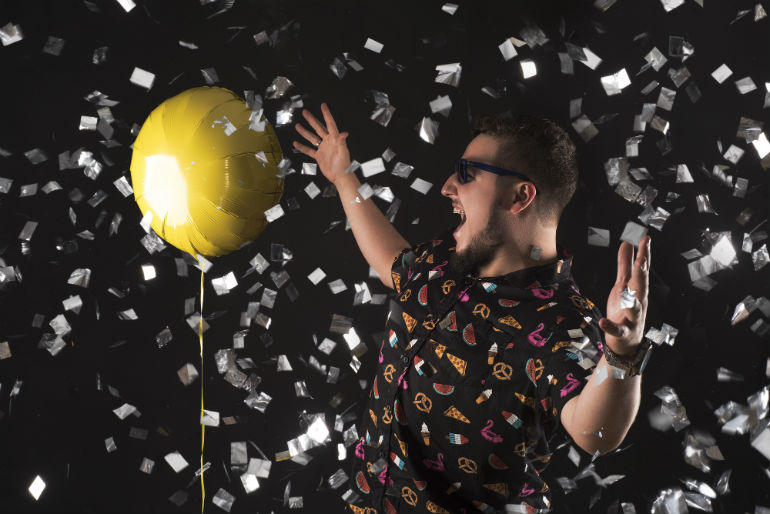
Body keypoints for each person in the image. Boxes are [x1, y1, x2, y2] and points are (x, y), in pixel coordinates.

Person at [293, 104, 653, 514]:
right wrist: (343, 178)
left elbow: (595, 435)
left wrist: (622, 356)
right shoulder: (445, 259)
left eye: (466, 174)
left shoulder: (563, 322)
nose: (447, 187)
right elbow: (391, 262)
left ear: (520, 196)